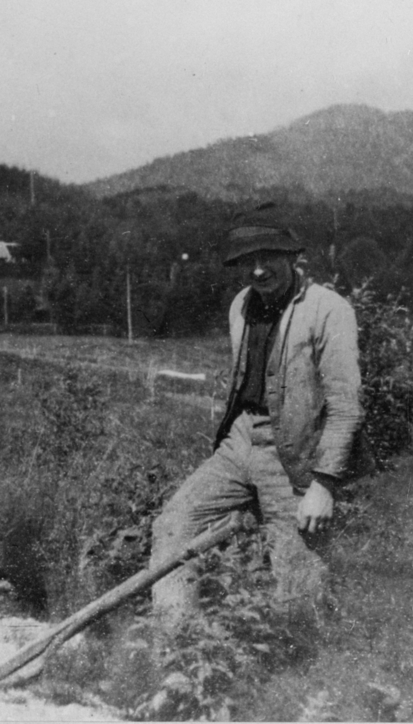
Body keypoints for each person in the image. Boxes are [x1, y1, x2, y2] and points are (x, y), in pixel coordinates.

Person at [150, 203, 364, 628]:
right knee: (173, 525)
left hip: (294, 455)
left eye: (269, 257)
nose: (259, 270)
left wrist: (324, 484)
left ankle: (303, 663)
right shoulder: (241, 306)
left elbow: (346, 405)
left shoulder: (328, 310)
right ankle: (178, 645)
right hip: (240, 440)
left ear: (292, 256)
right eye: (248, 261)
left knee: (297, 582)